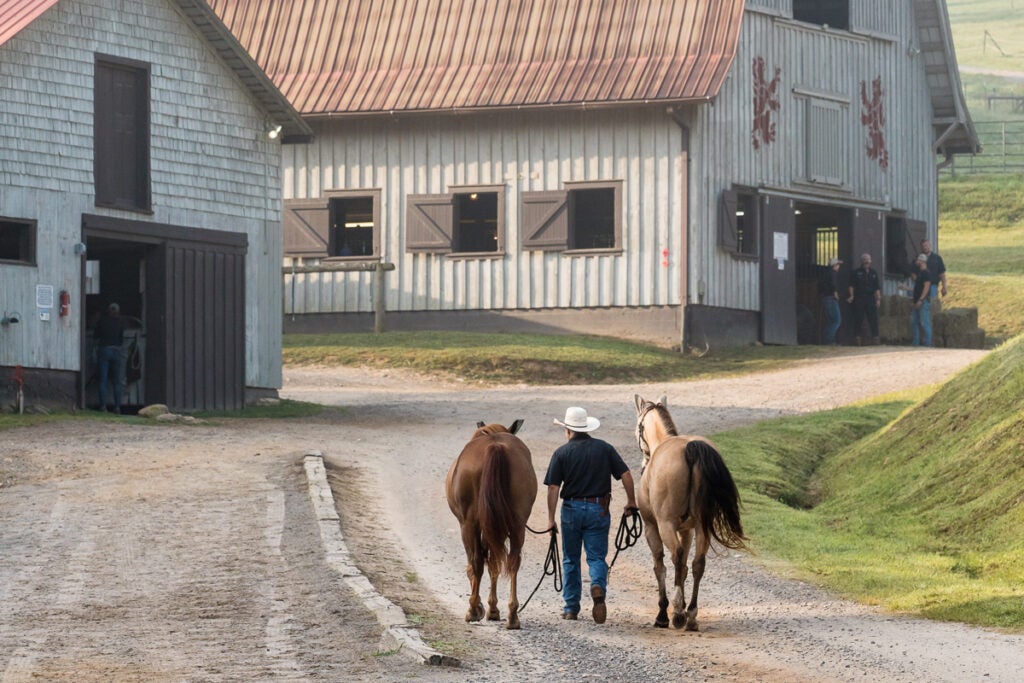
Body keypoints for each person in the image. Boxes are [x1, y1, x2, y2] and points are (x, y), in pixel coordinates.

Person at [545, 406, 636, 624]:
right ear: (586, 428)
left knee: (570, 559)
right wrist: (631, 501)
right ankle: (597, 586)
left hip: (571, 510)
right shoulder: (604, 448)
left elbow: (553, 488)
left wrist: (550, 519)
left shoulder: (561, 453)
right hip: (598, 509)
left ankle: (571, 608)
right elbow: (625, 474)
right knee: (596, 557)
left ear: (568, 430)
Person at [94, 302, 124, 413]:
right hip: (116, 350)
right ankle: (117, 407)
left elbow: (95, 336)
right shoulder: (120, 322)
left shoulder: (102, 321)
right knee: (116, 381)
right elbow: (121, 339)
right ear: (118, 311)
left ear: (108, 310)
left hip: (105, 350)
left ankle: (103, 406)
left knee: (103, 380)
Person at [847, 253, 881, 345]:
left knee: (873, 319)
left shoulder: (873, 273)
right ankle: (857, 339)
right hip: (859, 298)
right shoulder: (856, 272)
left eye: (868, 259)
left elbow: (877, 287)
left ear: (871, 261)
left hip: (870, 298)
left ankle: (875, 338)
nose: (866, 261)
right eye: (865, 259)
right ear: (861, 261)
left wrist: (878, 299)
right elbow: (851, 286)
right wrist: (851, 296)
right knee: (858, 318)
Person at [818, 257, 843, 345]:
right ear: (834, 265)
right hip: (831, 298)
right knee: (837, 320)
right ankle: (830, 340)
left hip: (825, 298)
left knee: (830, 321)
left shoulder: (826, 273)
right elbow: (833, 284)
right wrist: (836, 294)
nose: (839, 266)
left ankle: (827, 340)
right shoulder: (833, 274)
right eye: (838, 264)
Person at [909, 253, 933, 347]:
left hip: (922, 301)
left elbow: (926, 287)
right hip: (917, 301)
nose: (917, 262)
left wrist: (921, 299)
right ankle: (916, 342)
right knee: (914, 322)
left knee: (924, 322)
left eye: (918, 260)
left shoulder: (926, 273)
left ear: (922, 261)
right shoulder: (920, 273)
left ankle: (928, 343)